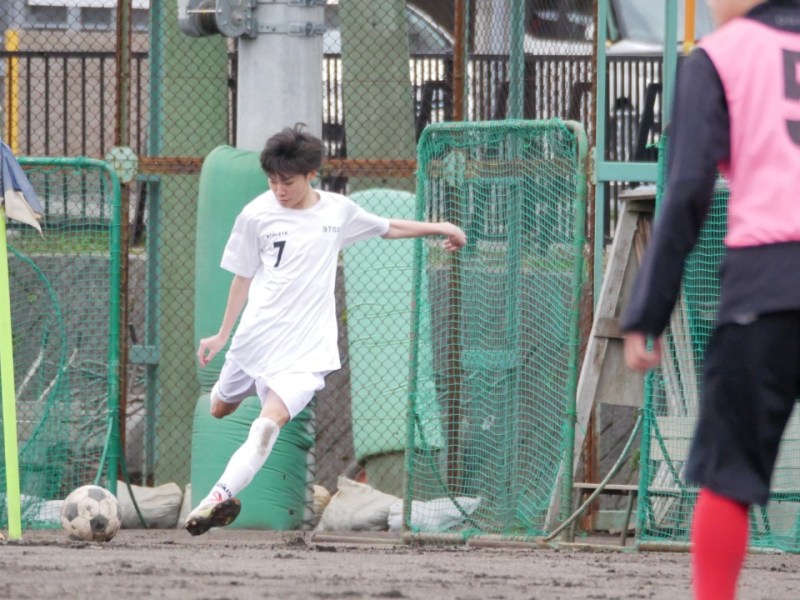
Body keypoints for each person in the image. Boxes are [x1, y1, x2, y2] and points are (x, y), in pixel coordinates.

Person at [184, 124, 467, 536]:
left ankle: (217, 497)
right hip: (255, 340)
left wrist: (440, 227)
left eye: (289, 181)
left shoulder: (337, 211)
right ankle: (236, 408)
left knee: (267, 424)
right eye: (273, 181)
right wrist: (222, 335)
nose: (280, 189)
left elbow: (388, 227)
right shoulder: (256, 215)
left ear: (311, 174)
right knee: (220, 408)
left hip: (306, 350)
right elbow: (242, 277)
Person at [620, 0, 800, 598]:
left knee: (730, 474)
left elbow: (689, 187)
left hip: (768, 278)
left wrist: (647, 310)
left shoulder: (720, 54)